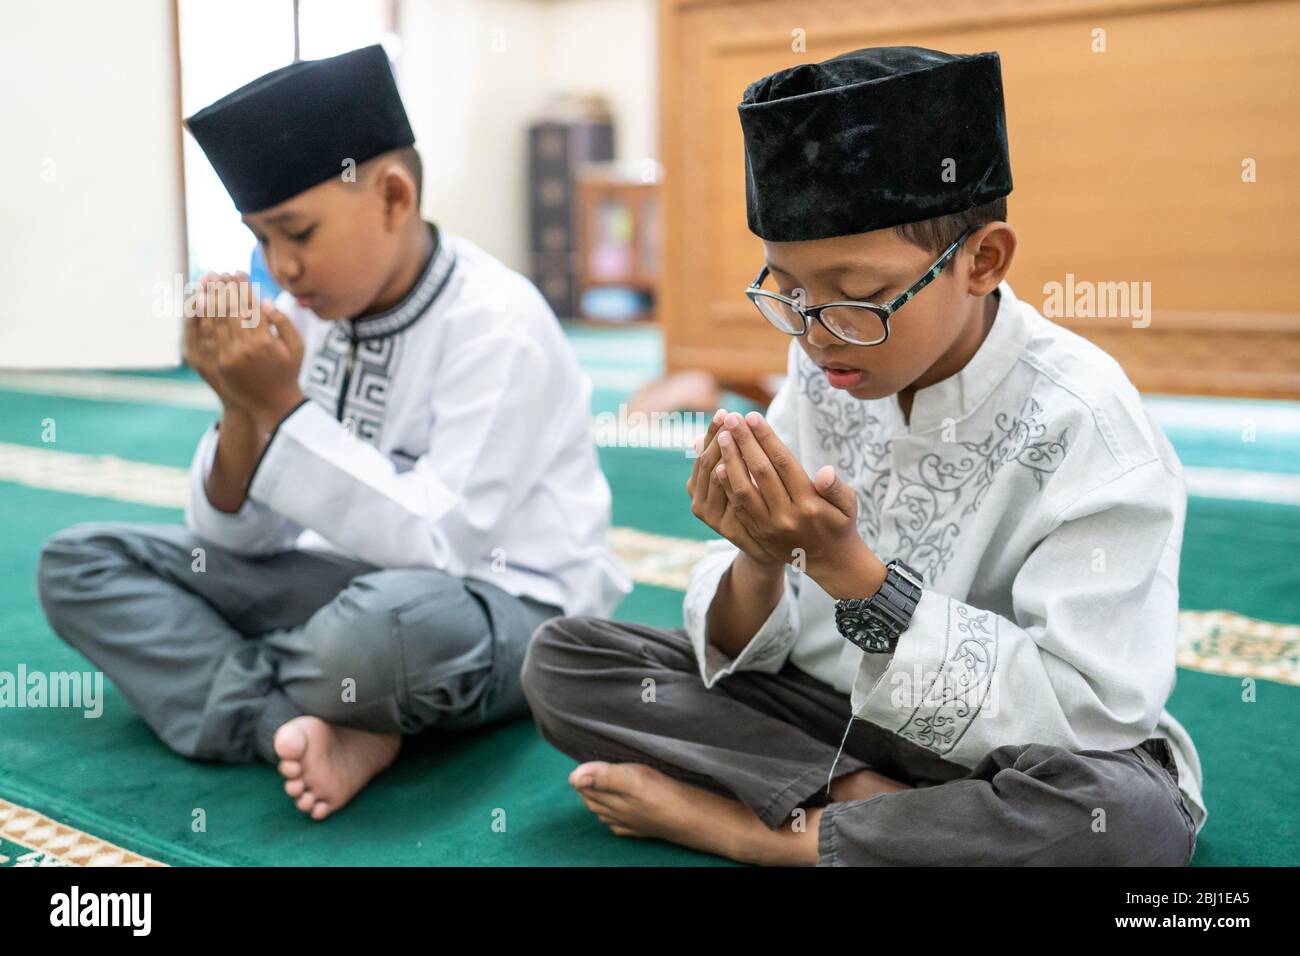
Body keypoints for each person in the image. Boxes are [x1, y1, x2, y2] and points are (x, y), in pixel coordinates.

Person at [520, 46, 1205, 866]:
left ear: (982, 260)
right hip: (835, 717)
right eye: (791, 292)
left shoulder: (1089, 425)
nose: (814, 335)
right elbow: (747, 638)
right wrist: (757, 560)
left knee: (1126, 821)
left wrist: (858, 578)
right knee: (568, 660)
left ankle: (766, 834)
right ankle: (870, 808)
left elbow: (1093, 716)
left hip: (1012, 754)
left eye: (858, 296)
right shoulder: (829, 359)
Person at [38, 44, 630, 821]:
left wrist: (280, 409)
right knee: (79, 563)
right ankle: (302, 723)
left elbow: (441, 544)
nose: (279, 266)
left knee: (372, 643)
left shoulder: (498, 323)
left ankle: (286, 695)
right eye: (260, 238)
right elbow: (235, 540)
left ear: (391, 198)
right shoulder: (309, 318)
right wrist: (240, 408)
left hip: (499, 603)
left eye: (298, 233)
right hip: (334, 592)